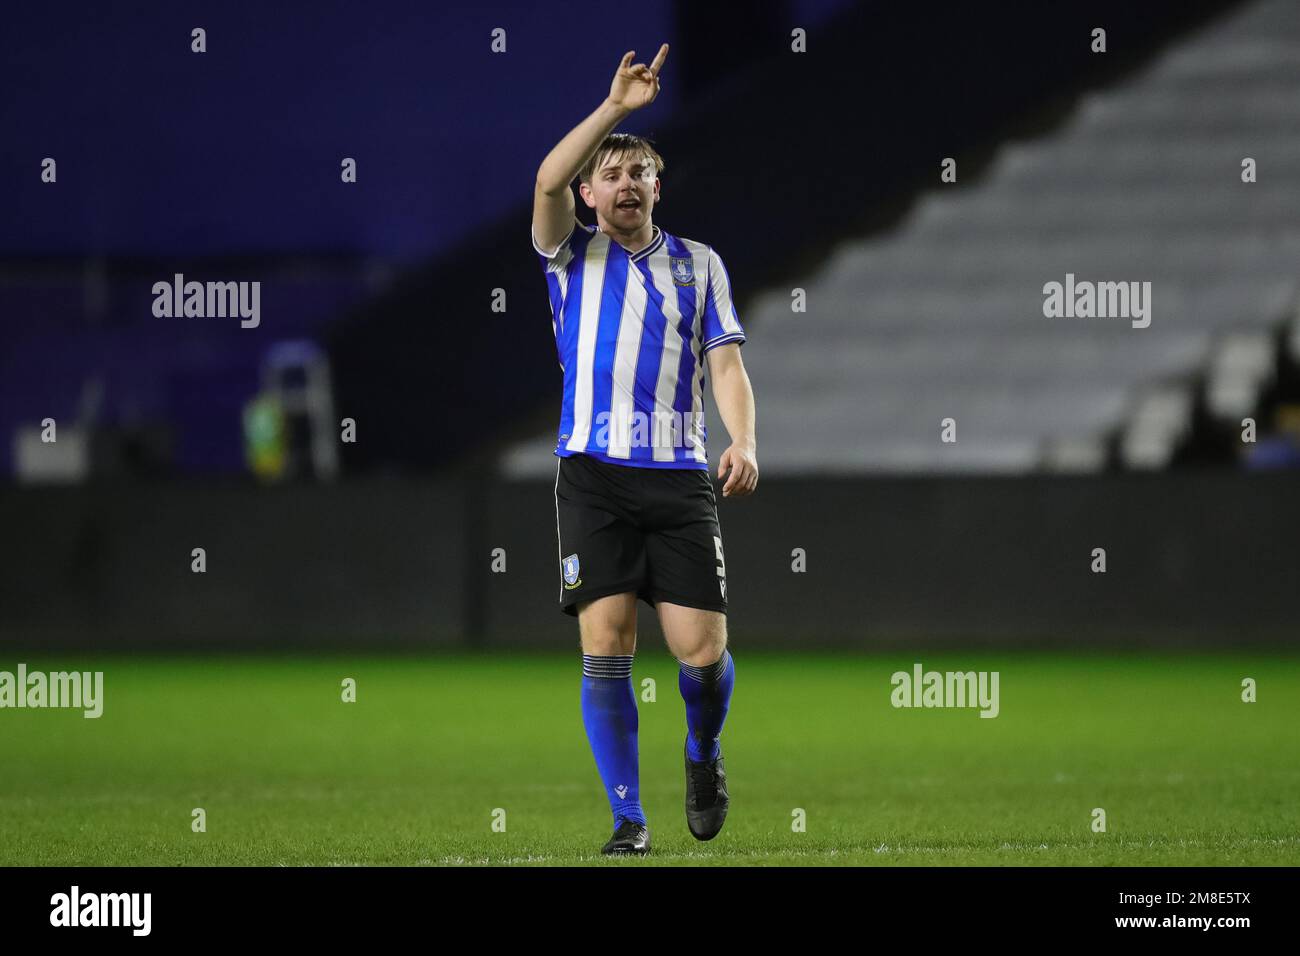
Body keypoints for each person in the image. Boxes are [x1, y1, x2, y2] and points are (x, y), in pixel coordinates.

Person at [530, 44, 759, 855]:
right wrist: (617, 110)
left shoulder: (700, 266)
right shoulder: (568, 258)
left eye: (641, 174)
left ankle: (702, 750)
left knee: (702, 658)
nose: (627, 184)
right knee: (607, 643)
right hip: (591, 475)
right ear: (591, 195)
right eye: (613, 175)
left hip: (678, 476)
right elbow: (546, 180)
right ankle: (629, 818)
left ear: (658, 187)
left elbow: (725, 363)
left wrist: (744, 439)